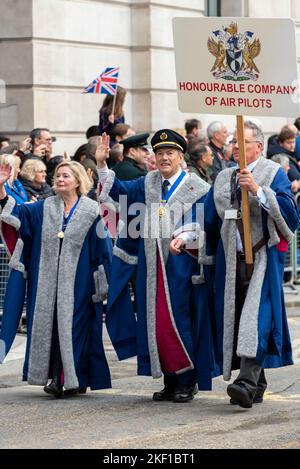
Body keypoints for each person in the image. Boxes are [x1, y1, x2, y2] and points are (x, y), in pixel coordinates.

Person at [97, 129, 219, 403]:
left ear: (180, 157)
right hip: (151, 269)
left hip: (181, 266)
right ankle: (169, 378)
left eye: (170, 153)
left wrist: (186, 236)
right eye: (160, 153)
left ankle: (187, 380)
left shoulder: (197, 187)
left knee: (180, 321)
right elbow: (118, 191)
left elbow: (206, 223)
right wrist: (103, 164)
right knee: (155, 322)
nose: (164, 158)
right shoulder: (148, 182)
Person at [204, 121, 300, 409]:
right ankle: (257, 383)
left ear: (258, 146)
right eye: (234, 142)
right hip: (231, 262)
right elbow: (209, 218)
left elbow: (290, 216)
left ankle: (245, 383)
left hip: (261, 259)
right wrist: (186, 236)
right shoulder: (223, 177)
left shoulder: (272, 173)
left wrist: (258, 190)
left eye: (242, 142)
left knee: (255, 320)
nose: (236, 147)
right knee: (235, 320)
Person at [0, 160, 112, 397]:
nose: (60, 179)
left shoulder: (92, 210)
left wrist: (102, 283)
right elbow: (14, 214)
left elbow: (102, 249)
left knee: (74, 329)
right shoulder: (43, 207)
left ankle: (71, 377)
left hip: (79, 284)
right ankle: (56, 377)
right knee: (49, 328)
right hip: (46, 283)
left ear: (78, 181)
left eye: (66, 176)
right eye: (58, 176)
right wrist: (1, 188)